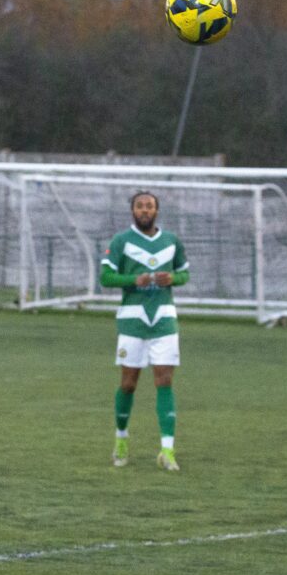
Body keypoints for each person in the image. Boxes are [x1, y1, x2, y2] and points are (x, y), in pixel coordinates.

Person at [99, 191, 189, 471]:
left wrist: (173, 277)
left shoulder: (171, 241)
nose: (145, 210)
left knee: (164, 381)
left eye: (149, 206)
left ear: (157, 210)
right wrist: (132, 279)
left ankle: (167, 449)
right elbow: (106, 276)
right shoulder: (121, 241)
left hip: (164, 320)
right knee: (128, 383)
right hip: (132, 321)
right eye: (140, 206)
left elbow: (185, 273)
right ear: (133, 211)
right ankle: (121, 439)